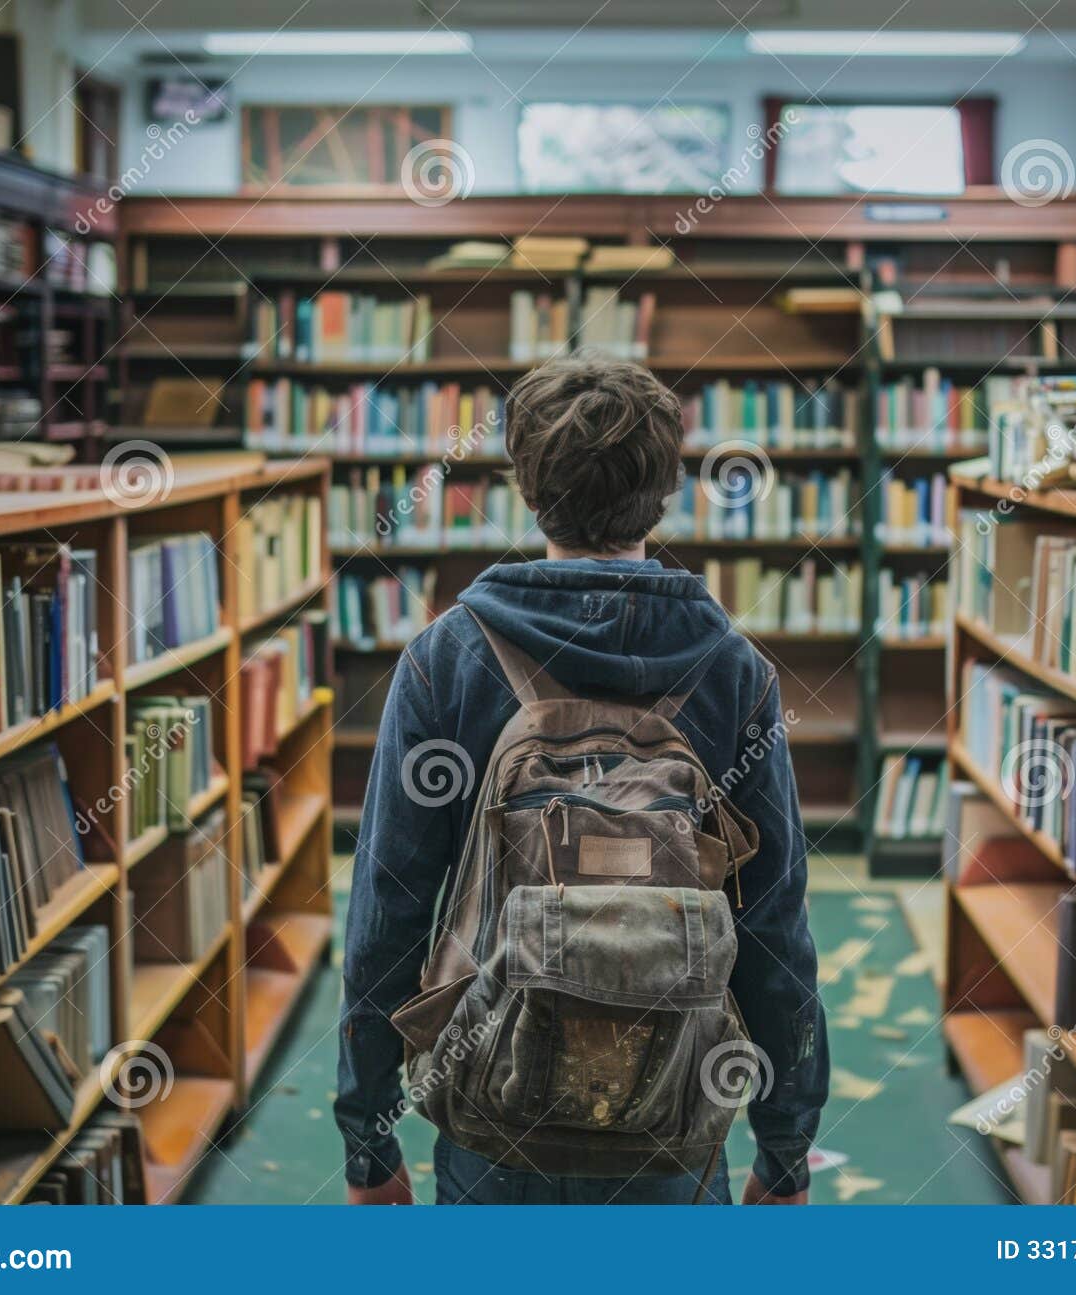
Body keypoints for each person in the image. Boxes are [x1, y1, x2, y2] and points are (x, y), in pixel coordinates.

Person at [334, 355, 828, 1204]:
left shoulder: (446, 660)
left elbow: (388, 914)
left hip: (496, 1099)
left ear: (527, 486)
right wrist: (785, 1147)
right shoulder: (733, 671)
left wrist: (368, 1137)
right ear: (669, 486)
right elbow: (775, 928)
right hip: (676, 1107)